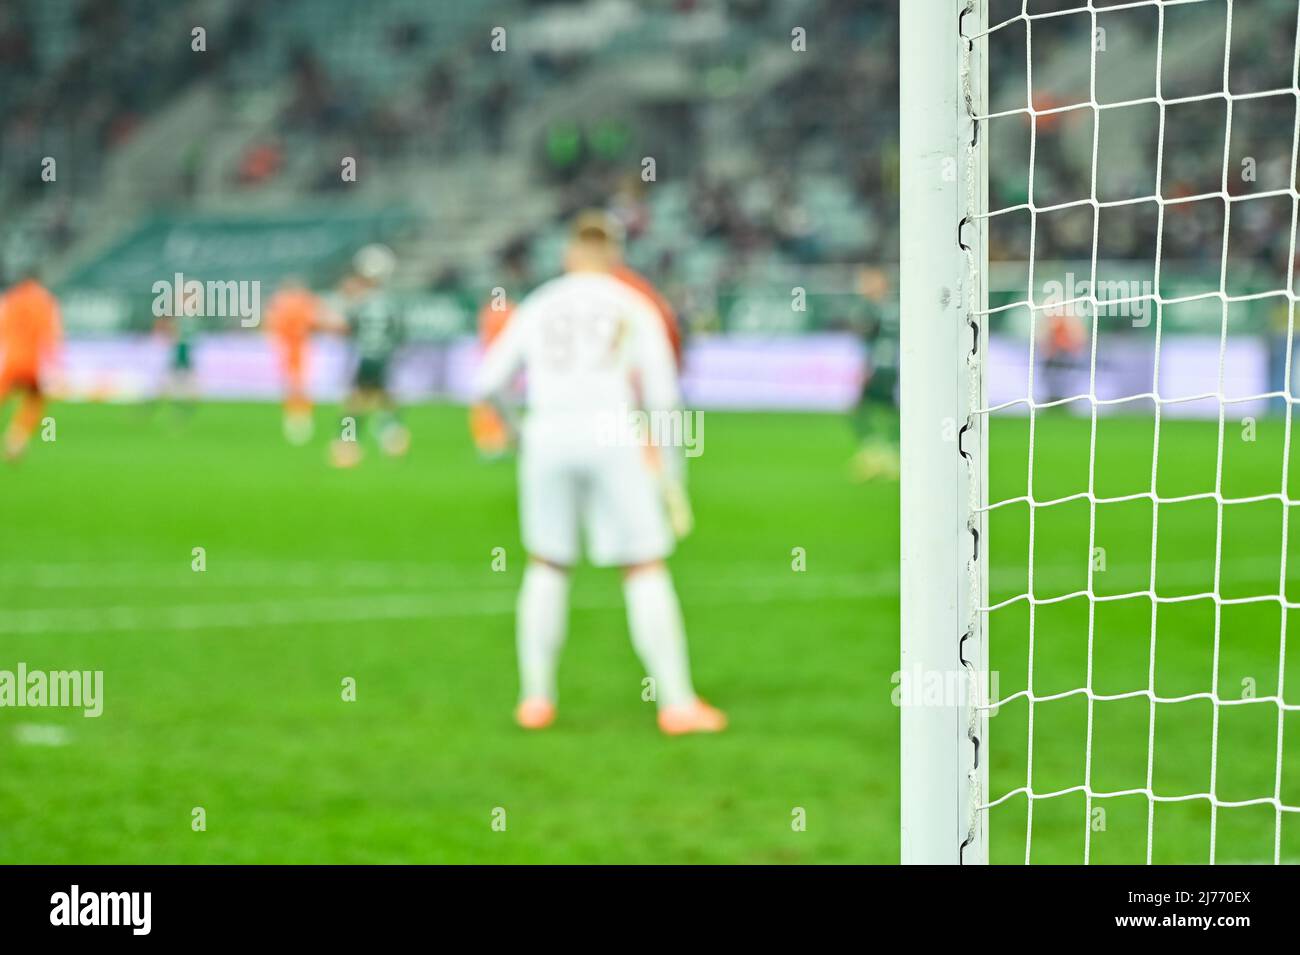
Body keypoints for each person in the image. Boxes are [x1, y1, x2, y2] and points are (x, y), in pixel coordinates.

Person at [473, 211, 725, 735]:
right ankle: (676, 704)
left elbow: (489, 382)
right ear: (614, 258)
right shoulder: (634, 304)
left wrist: (519, 434)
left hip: (548, 436)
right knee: (642, 566)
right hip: (615, 435)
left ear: (568, 255)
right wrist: (672, 475)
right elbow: (662, 398)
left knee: (547, 563)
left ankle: (536, 698)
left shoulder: (541, 302)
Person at [330, 244, 409, 467]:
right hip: (384, 356)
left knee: (355, 402)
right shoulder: (391, 303)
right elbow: (400, 334)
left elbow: (347, 328)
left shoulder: (361, 302)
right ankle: (394, 437)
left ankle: (346, 445)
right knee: (383, 398)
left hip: (366, 355)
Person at [265, 277, 341, 444]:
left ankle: (296, 418)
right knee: (298, 384)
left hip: (292, 347)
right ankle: (300, 418)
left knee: (295, 384)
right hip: (296, 347)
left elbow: (273, 325)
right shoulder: (303, 302)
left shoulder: (283, 302)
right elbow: (316, 320)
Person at [0, 269, 61, 461]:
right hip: (34, 361)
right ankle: (16, 438)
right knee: (36, 399)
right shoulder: (45, 300)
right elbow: (51, 333)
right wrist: (54, 363)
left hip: (10, 359)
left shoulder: (11, 298)